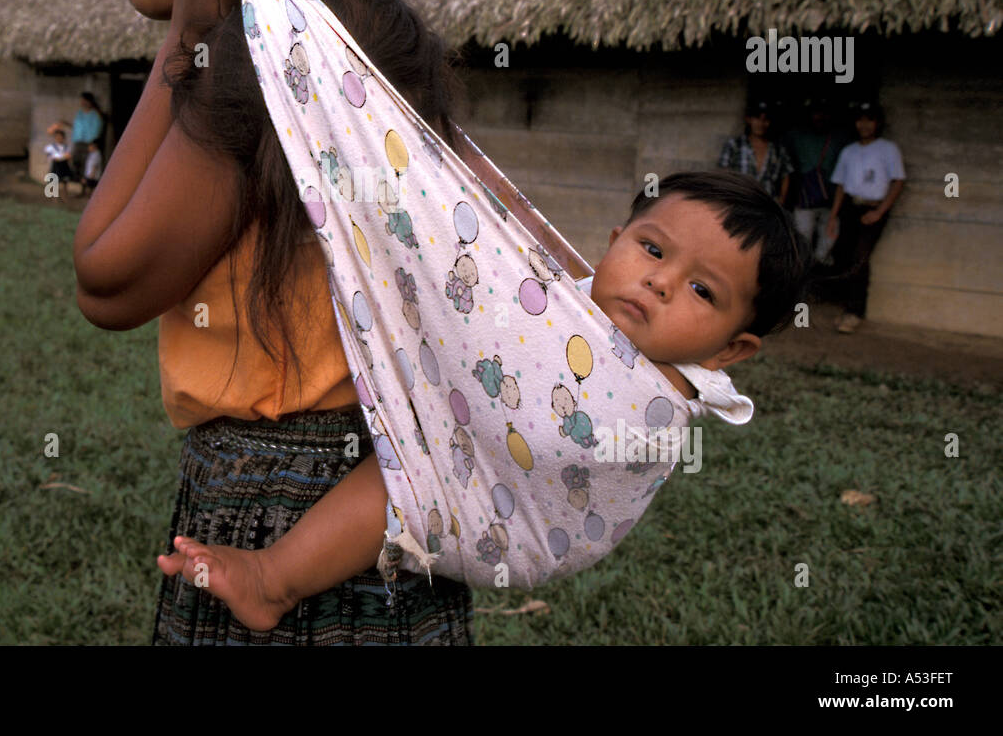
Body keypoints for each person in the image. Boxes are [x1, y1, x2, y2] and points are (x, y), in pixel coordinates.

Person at [73, 0, 474, 645]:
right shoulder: (351, 20)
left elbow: (104, 280)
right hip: (379, 496)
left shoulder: (255, 54)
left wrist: (185, 37)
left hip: (278, 510)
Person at [156, 171, 809, 631]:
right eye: (652, 248)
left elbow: (566, 424)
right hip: (491, 462)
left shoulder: (671, 389)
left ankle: (274, 580)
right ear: (615, 239)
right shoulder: (566, 293)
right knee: (410, 462)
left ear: (731, 350)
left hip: (524, 526)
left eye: (702, 290)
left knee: (409, 474)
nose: (661, 281)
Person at [826, 102, 904, 333]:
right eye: (860, 119)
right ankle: (844, 303)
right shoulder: (849, 151)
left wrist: (880, 212)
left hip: (873, 208)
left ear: (878, 123)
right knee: (843, 255)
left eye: (869, 119)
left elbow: (898, 181)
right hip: (850, 207)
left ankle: (854, 312)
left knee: (860, 258)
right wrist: (833, 216)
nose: (864, 125)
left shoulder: (888, 149)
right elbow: (840, 186)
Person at [784, 98, 842, 264]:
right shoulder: (795, 136)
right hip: (805, 198)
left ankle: (819, 273)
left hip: (831, 200)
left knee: (828, 241)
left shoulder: (839, 137)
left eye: (823, 112)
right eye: (816, 112)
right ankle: (803, 275)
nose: (820, 117)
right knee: (801, 242)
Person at [718, 99, 794, 205]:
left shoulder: (777, 149)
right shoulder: (735, 145)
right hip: (740, 201)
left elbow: (786, 174)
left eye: (765, 120)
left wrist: (781, 200)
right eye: (757, 118)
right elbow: (723, 172)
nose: (761, 123)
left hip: (768, 203)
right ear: (749, 120)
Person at [71, 93, 105, 180]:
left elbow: (97, 129)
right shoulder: (80, 113)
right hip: (79, 141)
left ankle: (86, 186)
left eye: (84, 101)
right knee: (77, 163)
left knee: (88, 165)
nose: (82, 103)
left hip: (89, 142)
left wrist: (93, 143)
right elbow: (76, 126)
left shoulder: (95, 114)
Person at [44, 124, 75, 193]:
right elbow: (53, 157)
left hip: (64, 167)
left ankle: (64, 197)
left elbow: (68, 156)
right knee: (53, 183)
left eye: (60, 137)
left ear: (63, 138)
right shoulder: (50, 147)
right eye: (57, 137)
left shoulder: (67, 147)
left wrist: (61, 157)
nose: (59, 138)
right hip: (55, 167)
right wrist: (63, 156)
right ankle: (53, 198)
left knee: (65, 182)